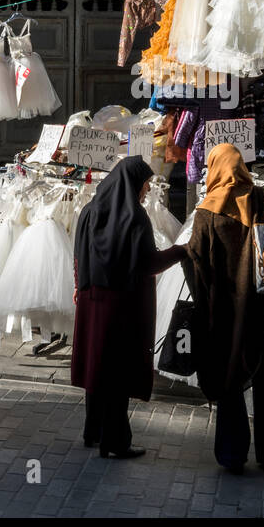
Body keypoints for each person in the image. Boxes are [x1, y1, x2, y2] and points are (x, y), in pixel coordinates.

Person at [72, 156, 187, 459]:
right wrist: (181, 251)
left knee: (98, 368)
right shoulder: (135, 218)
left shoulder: (89, 210)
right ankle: (116, 441)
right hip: (121, 305)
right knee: (117, 373)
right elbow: (149, 263)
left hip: (91, 301)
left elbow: (77, 255)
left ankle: (93, 431)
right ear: (133, 184)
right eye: (145, 185)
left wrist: (78, 286)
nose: (147, 191)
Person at [185, 143, 264, 475]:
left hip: (223, 311)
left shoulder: (205, 211)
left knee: (228, 375)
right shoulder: (258, 198)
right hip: (261, 305)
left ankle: (232, 455)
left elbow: (195, 261)